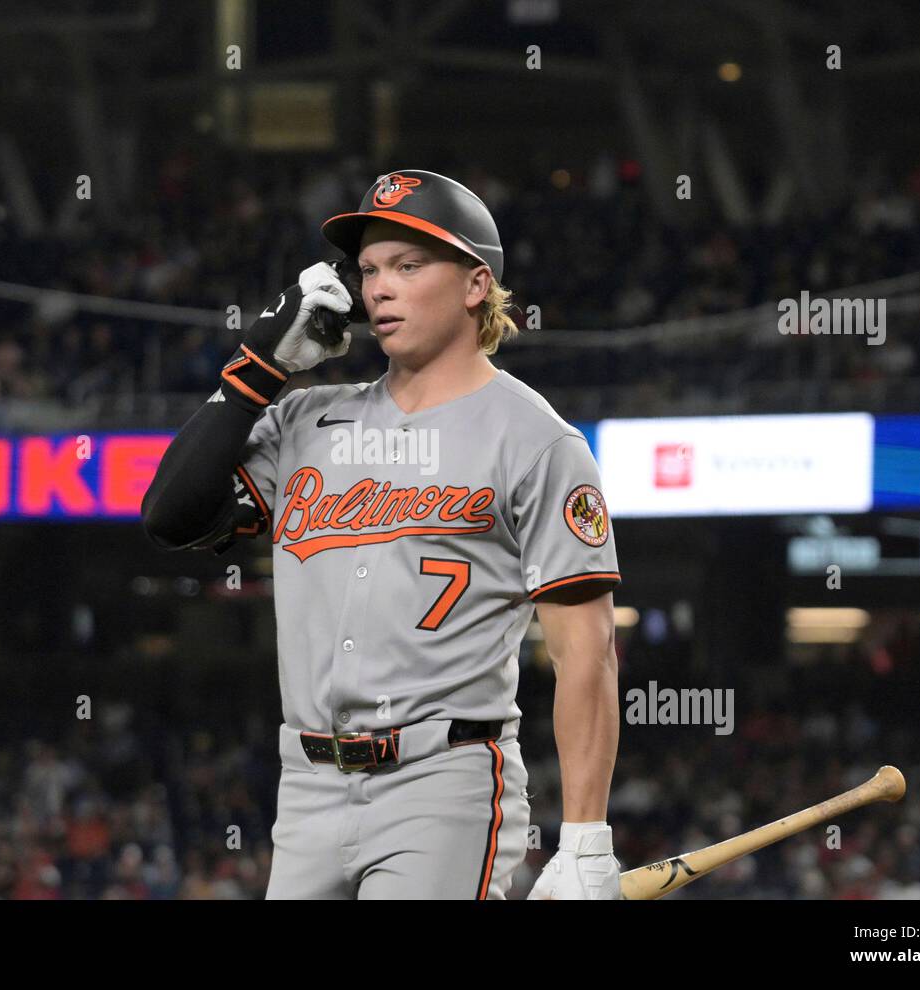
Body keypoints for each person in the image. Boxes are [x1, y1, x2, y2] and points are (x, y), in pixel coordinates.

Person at [142, 169, 623, 899]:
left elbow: (587, 651)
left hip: (443, 782)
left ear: (473, 285)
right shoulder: (307, 421)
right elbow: (169, 516)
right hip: (304, 789)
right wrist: (257, 368)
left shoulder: (536, 440)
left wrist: (587, 835)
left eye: (408, 264)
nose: (379, 288)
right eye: (367, 270)